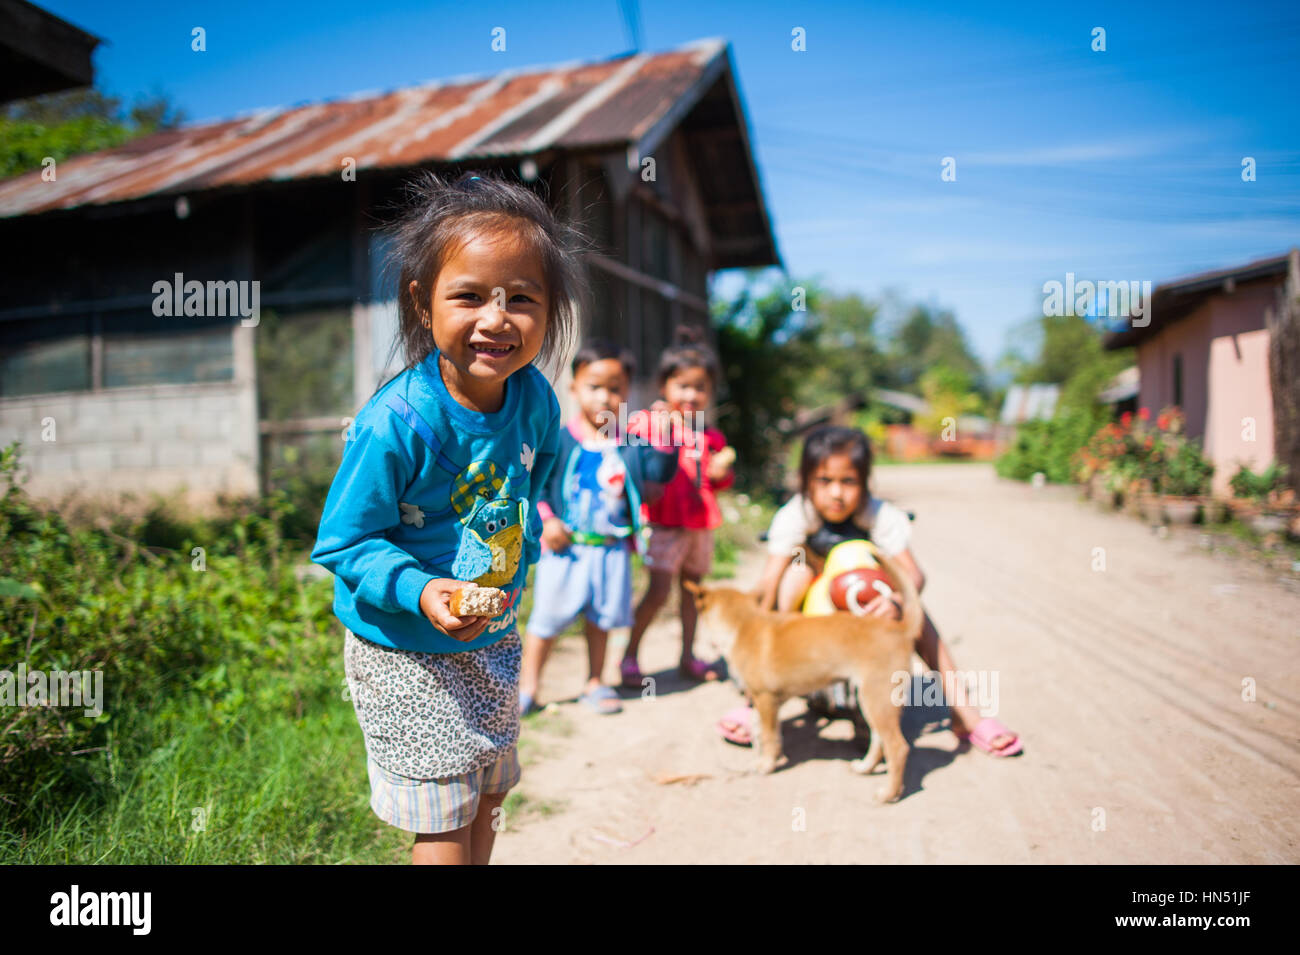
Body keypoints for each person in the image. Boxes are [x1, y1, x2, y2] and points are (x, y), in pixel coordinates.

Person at [311, 170, 586, 865]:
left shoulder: (537, 402)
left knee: (490, 792)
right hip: (406, 650)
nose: (496, 319)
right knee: (442, 814)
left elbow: (542, 473)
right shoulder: (395, 424)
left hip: (492, 638)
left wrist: (547, 515)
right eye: (468, 296)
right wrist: (423, 590)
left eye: (521, 298)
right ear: (423, 302)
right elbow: (346, 541)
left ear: (550, 310)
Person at [715, 425, 1023, 758]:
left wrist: (896, 600)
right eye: (824, 481)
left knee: (917, 613)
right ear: (805, 482)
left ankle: (964, 713)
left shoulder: (878, 515)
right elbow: (769, 583)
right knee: (795, 574)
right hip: (809, 619)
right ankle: (753, 703)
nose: (837, 493)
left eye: (848, 482)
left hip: (866, 615)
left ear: (865, 483)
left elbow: (914, 575)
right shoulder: (796, 516)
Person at [518, 339, 677, 715]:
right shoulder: (557, 440)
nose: (604, 397)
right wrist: (548, 519)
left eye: (615, 388)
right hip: (564, 549)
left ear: (627, 393)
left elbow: (658, 477)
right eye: (594, 387)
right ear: (573, 388)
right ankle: (528, 688)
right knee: (546, 621)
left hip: (610, 548)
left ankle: (595, 681)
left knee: (601, 620)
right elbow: (534, 485)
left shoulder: (632, 445)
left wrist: (668, 438)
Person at [619, 343, 735, 688]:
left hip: (700, 525)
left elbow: (718, 482)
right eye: (683, 385)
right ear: (664, 387)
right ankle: (629, 656)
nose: (692, 394)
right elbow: (631, 457)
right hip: (664, 524)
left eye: (700, 387)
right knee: (657, 591)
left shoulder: (709, 435)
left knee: (694, 593)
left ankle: (688, 656)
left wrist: (721, 474)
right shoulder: (649, 423)